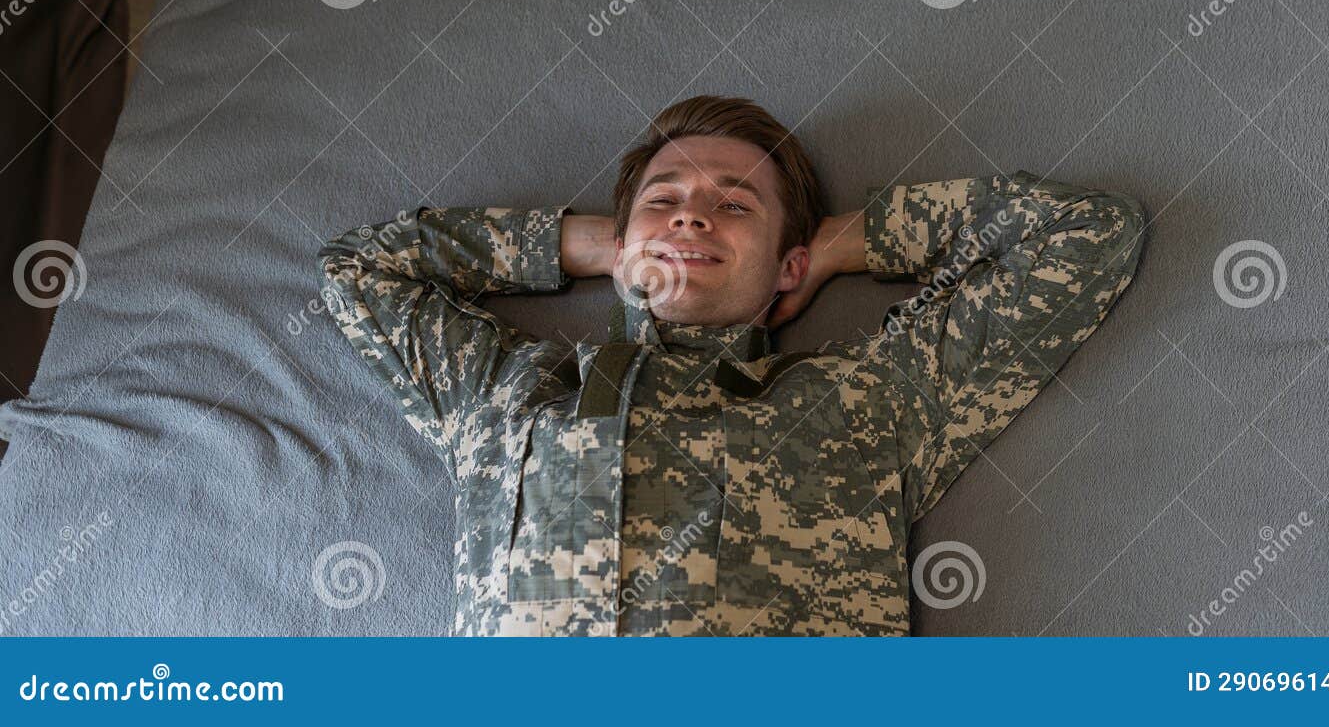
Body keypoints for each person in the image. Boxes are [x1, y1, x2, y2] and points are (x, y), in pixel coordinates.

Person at [319, 94, 1146, 635]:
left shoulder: (861, 402)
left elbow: (1086, 233)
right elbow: (359, 272)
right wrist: (580, 244)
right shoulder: (506, 394)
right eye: (664, 198)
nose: (691, 217)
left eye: (734, 203)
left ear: (786, 264)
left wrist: (842, 245)